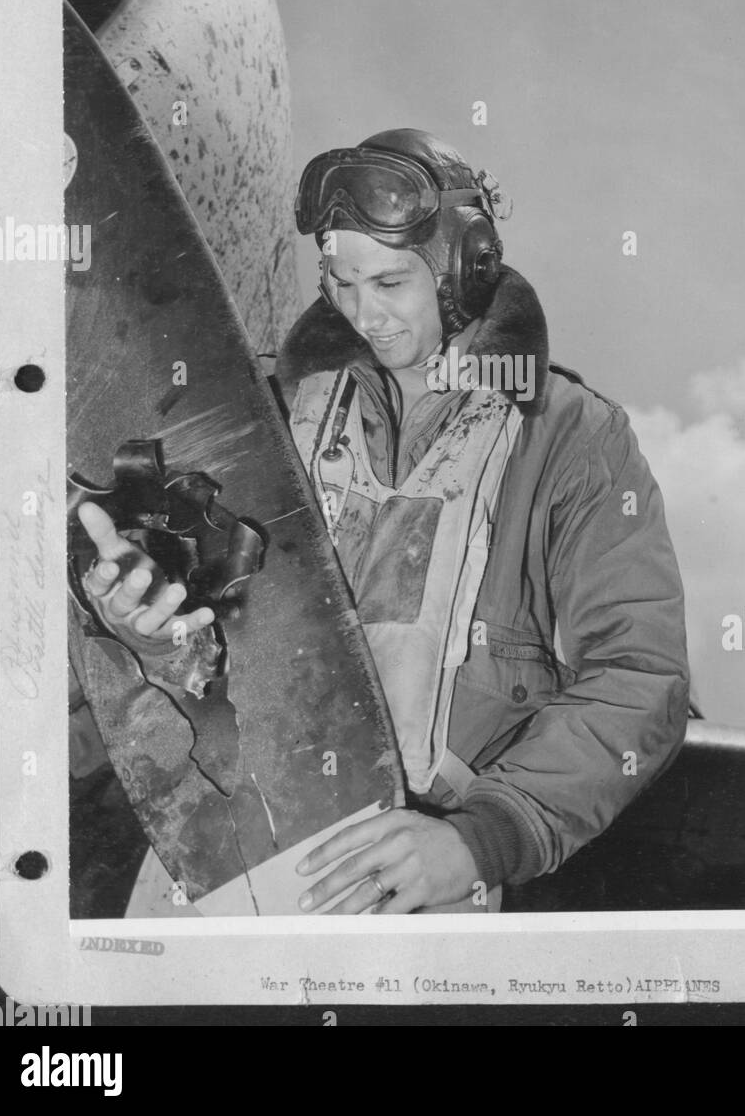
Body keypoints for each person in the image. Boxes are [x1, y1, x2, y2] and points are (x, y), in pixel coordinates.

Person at [79, 129, 689, 915]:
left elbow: (642, 677)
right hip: (212, 855)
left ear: (464, 268)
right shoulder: (254, 422)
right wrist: (137, 622)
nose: (366, 313)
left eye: (391, 282)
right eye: (340, 282)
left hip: (420, 881)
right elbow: (195, 661)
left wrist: (482, 840)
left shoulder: (573, 440)